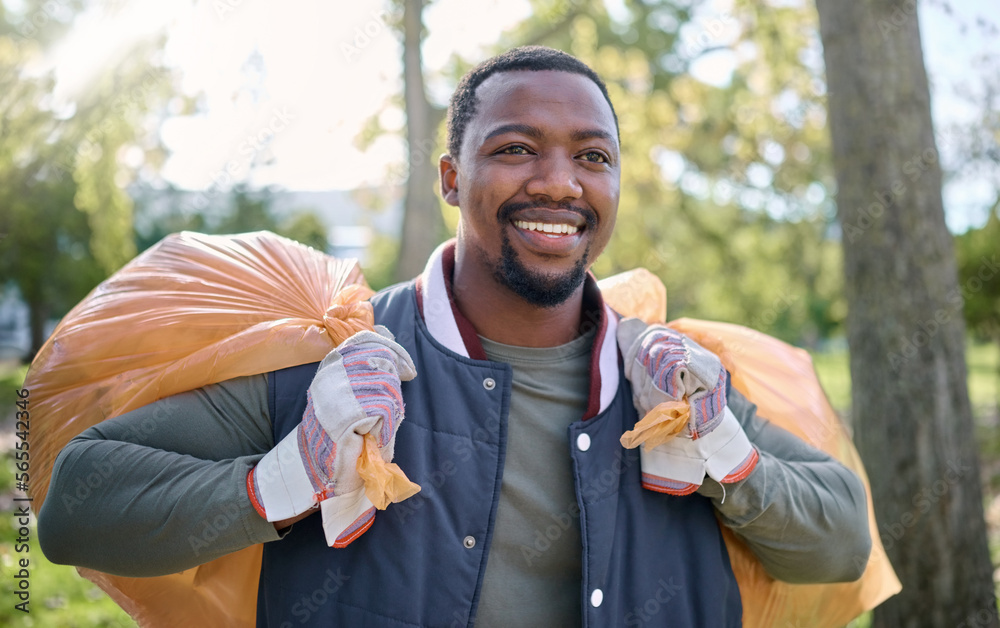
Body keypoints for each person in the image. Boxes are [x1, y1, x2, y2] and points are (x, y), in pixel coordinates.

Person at [38, 46, 871, 627]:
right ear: (450, 177)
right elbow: (78, 509)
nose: (558, 182)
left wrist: (724, 448)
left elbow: (840, 544)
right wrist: (294, 473)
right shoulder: (334, 366)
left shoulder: (674, 383)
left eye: (592, 156)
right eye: (516, 149)